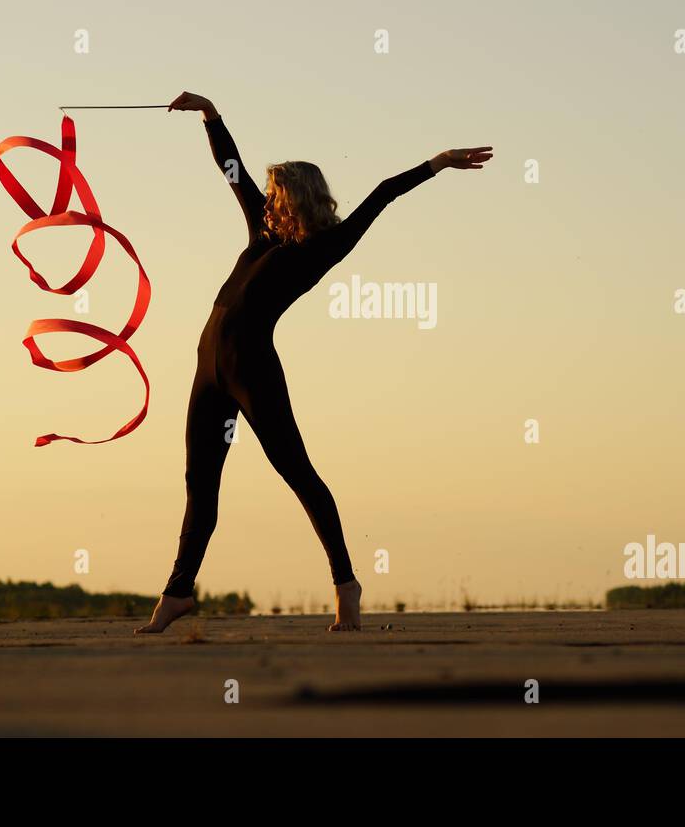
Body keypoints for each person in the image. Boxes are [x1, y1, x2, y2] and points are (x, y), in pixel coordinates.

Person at [136, 92, 492, 633]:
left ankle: (346, 586)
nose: (266, 198)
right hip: (208, 371)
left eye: (275, 191)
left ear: (296, 196)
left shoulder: (324, 245)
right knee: (199, 482)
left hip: (252, 369)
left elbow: (381, 196)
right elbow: (230, 168)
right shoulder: (262, 230)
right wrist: (211, 115)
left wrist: (437, 163)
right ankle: (178, 592)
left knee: (297, 472)